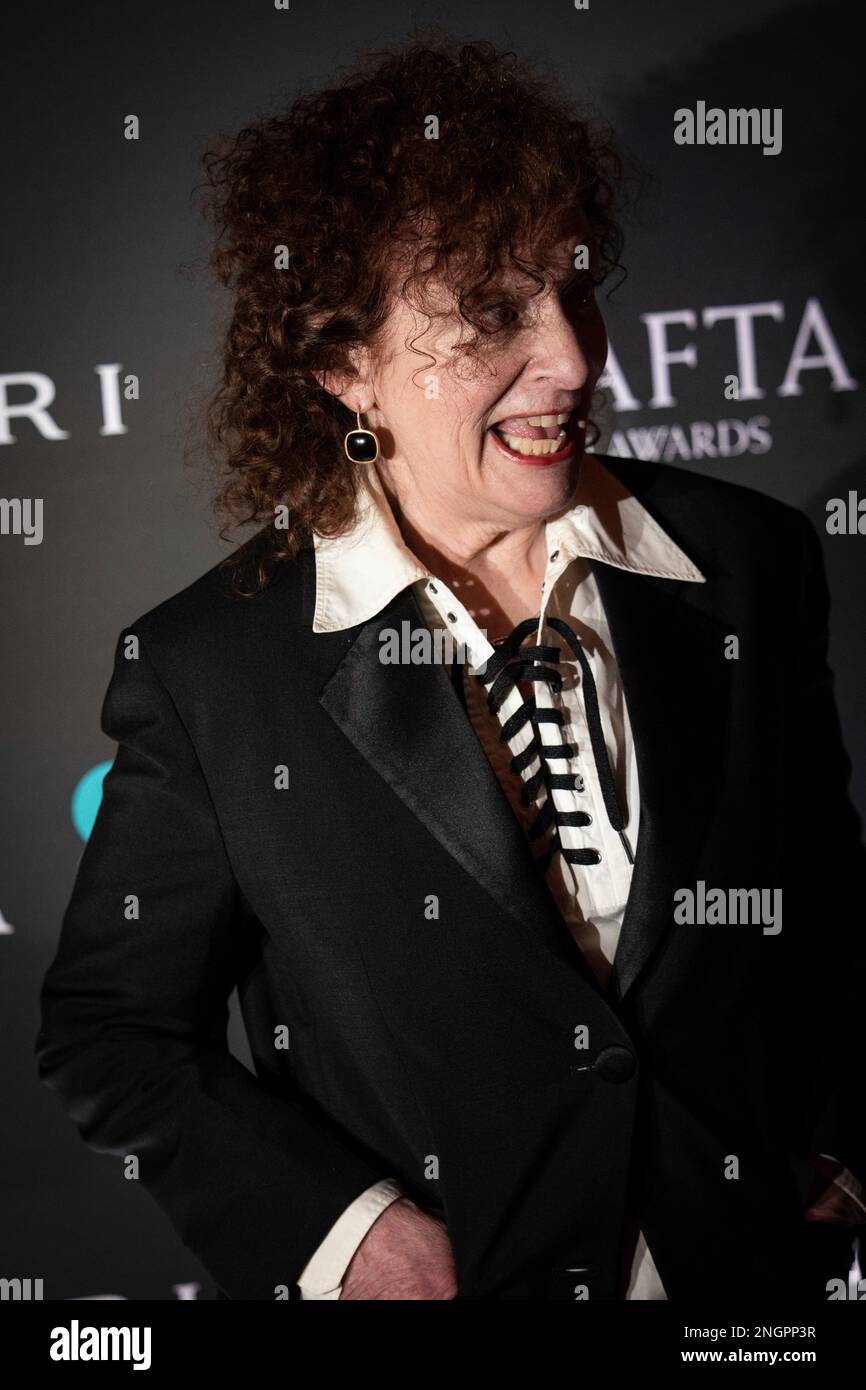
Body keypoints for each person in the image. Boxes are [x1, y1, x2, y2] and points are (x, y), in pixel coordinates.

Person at [36, 34, 865, 1301]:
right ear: (340, 363)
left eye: (571, 293)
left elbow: (824, 902)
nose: (575, 359)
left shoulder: (747, 561)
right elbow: (112, 1033)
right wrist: (341, 1232)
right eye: (491, 312)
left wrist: (838, 1144)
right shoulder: (212, 673)